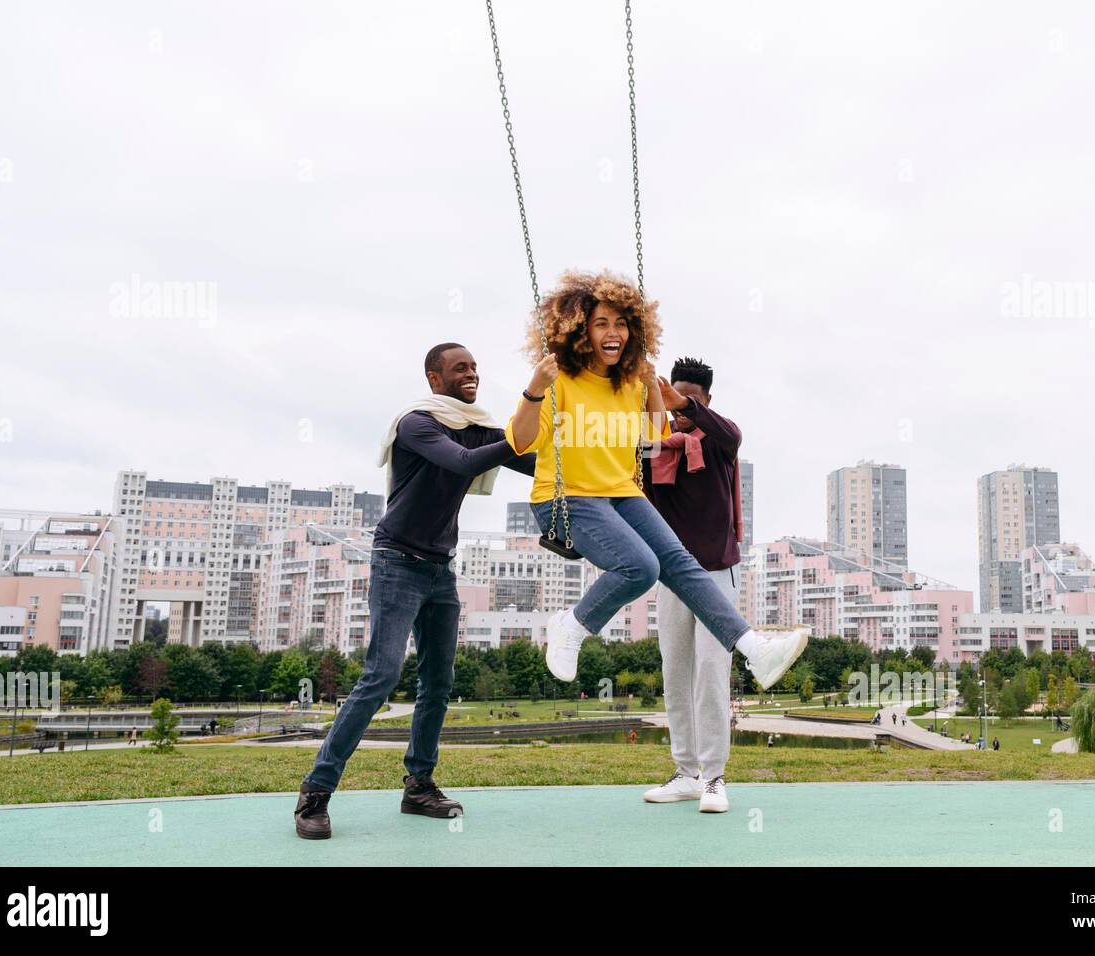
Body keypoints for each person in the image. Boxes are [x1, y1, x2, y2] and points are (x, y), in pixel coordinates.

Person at [506, 270, 808, 696]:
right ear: (579, 330)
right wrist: (535, 389)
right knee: (640, 567)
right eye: (601, 324)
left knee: (682, 563)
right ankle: (571, 625)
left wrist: (650, 387)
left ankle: (755, 649)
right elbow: (520, 441)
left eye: (621, 323)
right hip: (566, 498)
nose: (614, 333)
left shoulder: (629, 383)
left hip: (621, 494)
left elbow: (650, 441)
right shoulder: (559, 380)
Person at [293, 343, 535, 840]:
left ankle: (418, 787)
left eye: (474, 367)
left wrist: (591, 450)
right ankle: (314, 794)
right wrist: (524, 419)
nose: (472, 375)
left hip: (440, 570)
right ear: (433, 378)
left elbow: (530, 461)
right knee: (380, 677)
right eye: (460, 368)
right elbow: (466, 462)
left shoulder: (478, 423)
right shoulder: (417, 423)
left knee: (439, 684)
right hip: (397, 563)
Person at [636, 356, 743, 813]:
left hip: (716, 574)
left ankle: (714, 778)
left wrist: (688, 406)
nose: (679, 410)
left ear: (706, 400)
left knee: (711, 674)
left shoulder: (718, 440)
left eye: (690, 401)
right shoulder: (652, 447)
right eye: (673, 399)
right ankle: (685, 773)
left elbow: (732, 436)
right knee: (675, 674)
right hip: (672, 577)